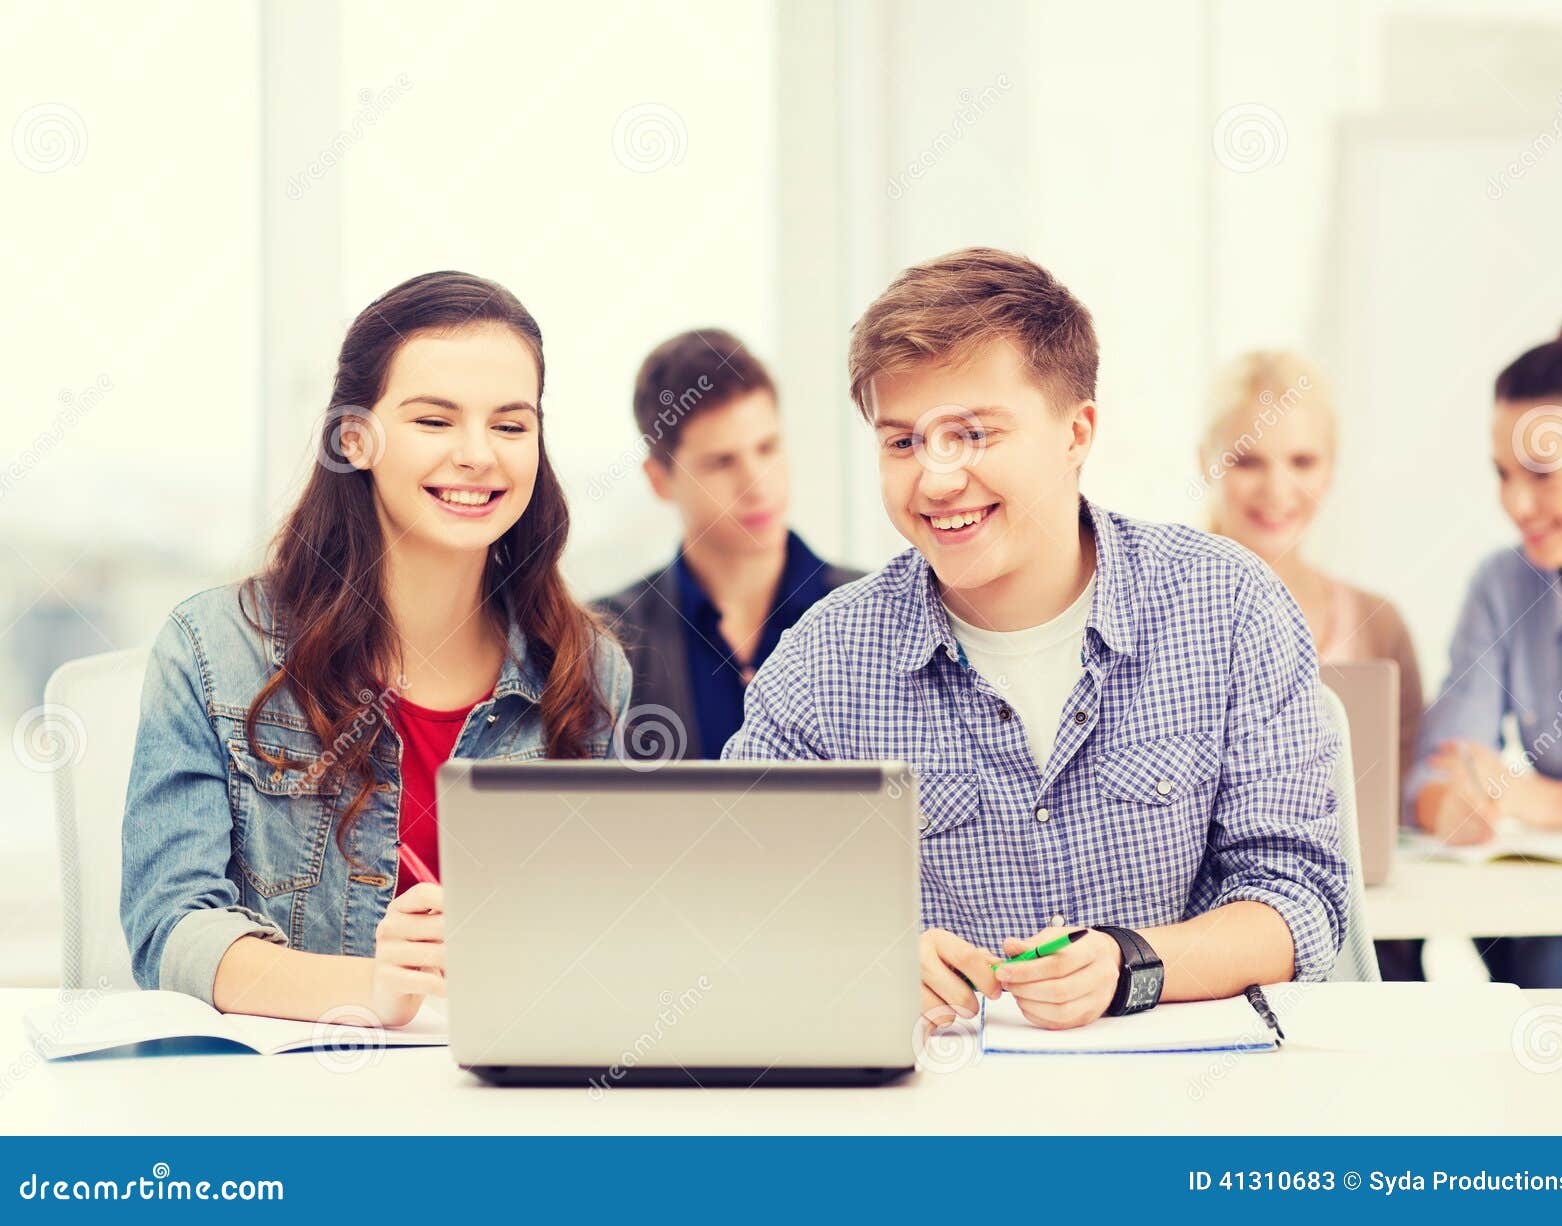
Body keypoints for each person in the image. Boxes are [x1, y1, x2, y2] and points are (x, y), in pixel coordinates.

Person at [723, 248, 1350, 1031]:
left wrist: (1133, 964)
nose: (937, 479)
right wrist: (867, 956)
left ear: (1075, 432)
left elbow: (1301, 900)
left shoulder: (1229, 606)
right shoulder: (823, 661)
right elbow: (740, 907)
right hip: (943, 1116)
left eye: (974, 434)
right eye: (902, 442)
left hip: (1185, 1103)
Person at [121, 271, 630, 1026]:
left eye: (511, 426)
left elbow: (610, 935)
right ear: (354, 437)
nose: (478, 455)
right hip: (294, 1105)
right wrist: (372, 991)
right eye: (435, 421)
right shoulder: (212, 649)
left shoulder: (583, 669)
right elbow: (171, 928)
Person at [1406, 310, 1562, 988]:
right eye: (1501, 473)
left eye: (1542, 473)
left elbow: (1532, 799)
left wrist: (1544, 802)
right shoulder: (1504, 582)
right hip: (1553, 901)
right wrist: (1452, 802)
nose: (1515, 503)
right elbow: (1441, 762)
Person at [597, 329, 861, 760]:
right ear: (659, 480)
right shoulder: (605, 641)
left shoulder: (883, 614)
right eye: (722, 462)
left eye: (767, 447)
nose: (757, 484)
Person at [1199, 351, 1423, 775]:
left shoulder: (1379, 624)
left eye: (1303, 462)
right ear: (1204, 464)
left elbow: (1402, 799)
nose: (1278, 490)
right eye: (1248, 461)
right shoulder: (1149, 615)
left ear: (1331, 468)